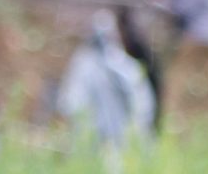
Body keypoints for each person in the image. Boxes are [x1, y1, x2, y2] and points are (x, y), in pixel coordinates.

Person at [53, 11, 156, 161]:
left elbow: (70, 102)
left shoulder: (90, 65)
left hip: (112, 139)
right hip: (96, 139)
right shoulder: (120, 65)